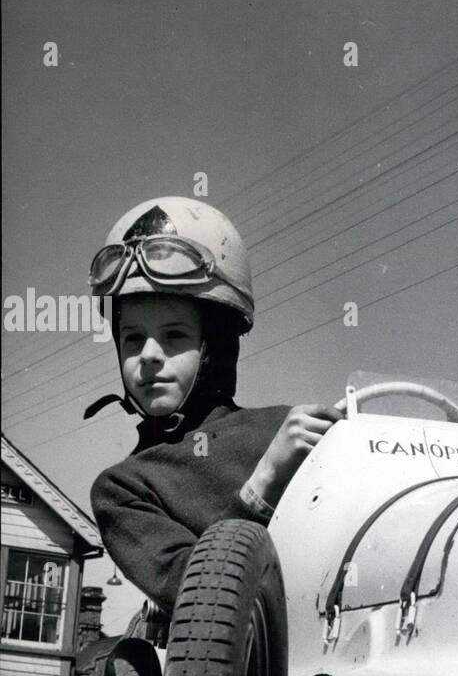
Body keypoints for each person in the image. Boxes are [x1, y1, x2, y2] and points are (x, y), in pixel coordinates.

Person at [87, 197, 342, 611]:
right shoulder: (123, 488)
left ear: (217, 347)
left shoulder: (290, 429)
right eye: (133, 338)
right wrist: (264, 485)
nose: (149, 355)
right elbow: (195, 590)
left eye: (174, 336)